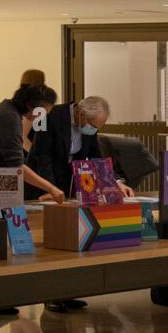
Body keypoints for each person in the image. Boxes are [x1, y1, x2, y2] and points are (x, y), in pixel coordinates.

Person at [27, 94, 134, 313]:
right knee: (51, 245)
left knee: (69, 240)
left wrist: (116, 183)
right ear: (81, 114)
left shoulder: (89, 128)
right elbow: (42, 156)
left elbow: (96, 157)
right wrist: (50, 189)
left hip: (67, 187)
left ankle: (66, 293)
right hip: (43, 185)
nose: (94, 131)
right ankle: (51, 296)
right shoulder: (51, 116)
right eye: (94, 126)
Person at [0, 83, 60, 322]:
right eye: (43, 111)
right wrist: (50, 187)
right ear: (32, 105)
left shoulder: (9, 112)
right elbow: (15, 164)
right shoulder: (8, 117)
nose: (43, 116)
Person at [18, 69, 47, 153]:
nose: (45, 85)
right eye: (43, 82)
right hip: (28, 157)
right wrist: (36, 156)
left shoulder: (38, 104)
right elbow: (23, 137)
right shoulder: (28, 105)